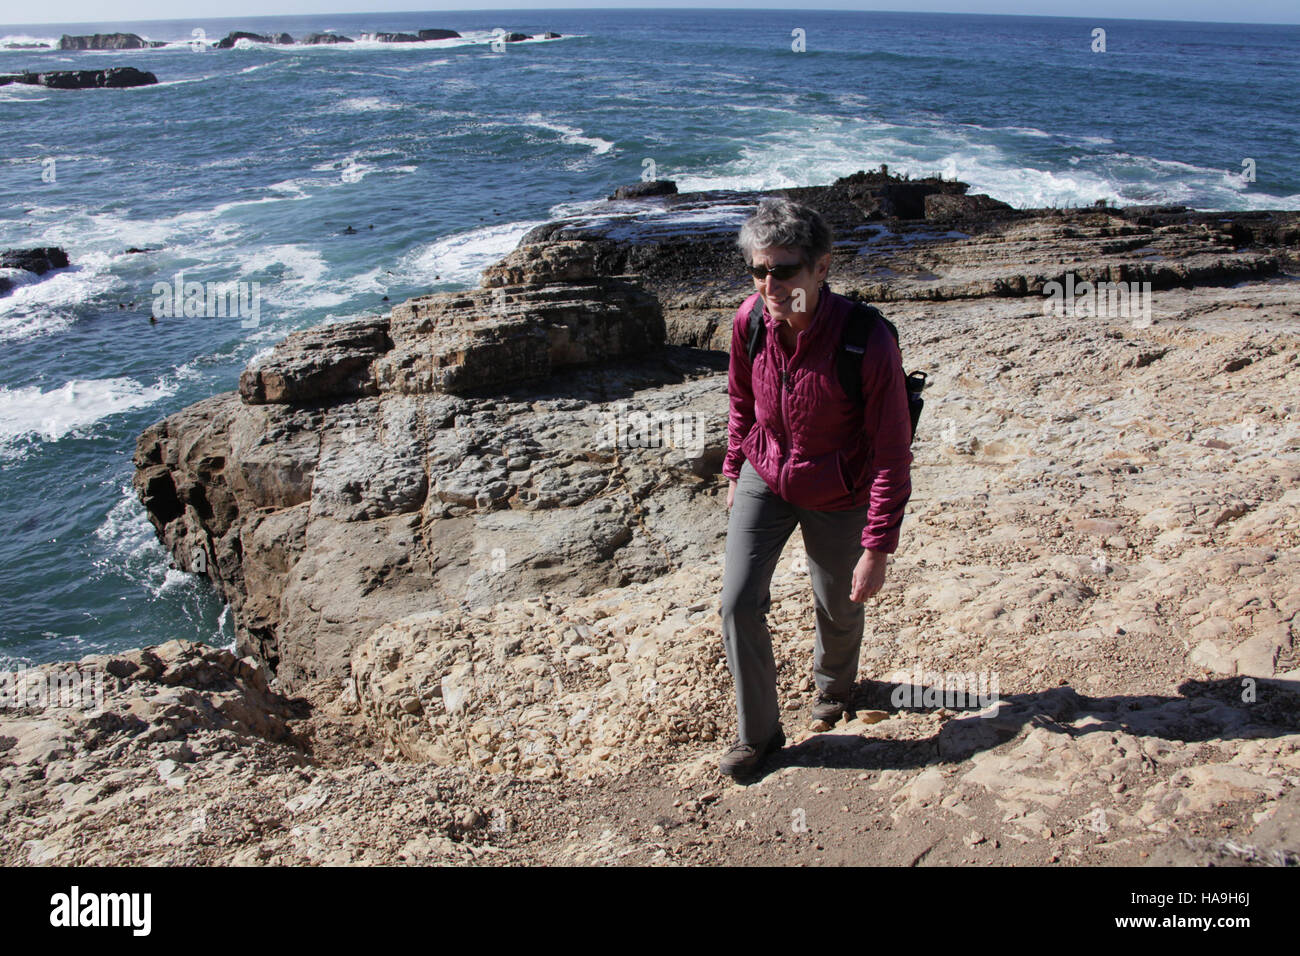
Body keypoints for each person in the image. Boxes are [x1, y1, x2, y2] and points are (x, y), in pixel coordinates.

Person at [718, 197, 913, 779]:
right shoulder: (749, 320)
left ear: (821, 267)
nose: (769, 283)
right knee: (736, 603)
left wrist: (878, 547)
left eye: (784, 269)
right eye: (759, 270)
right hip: (766, 472)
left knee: (840, 604)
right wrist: (735, 469)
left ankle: (835, 686)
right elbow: (740, 401)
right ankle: (760, 735)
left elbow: (891, 450)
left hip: (840, 489)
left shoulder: (866, 339)